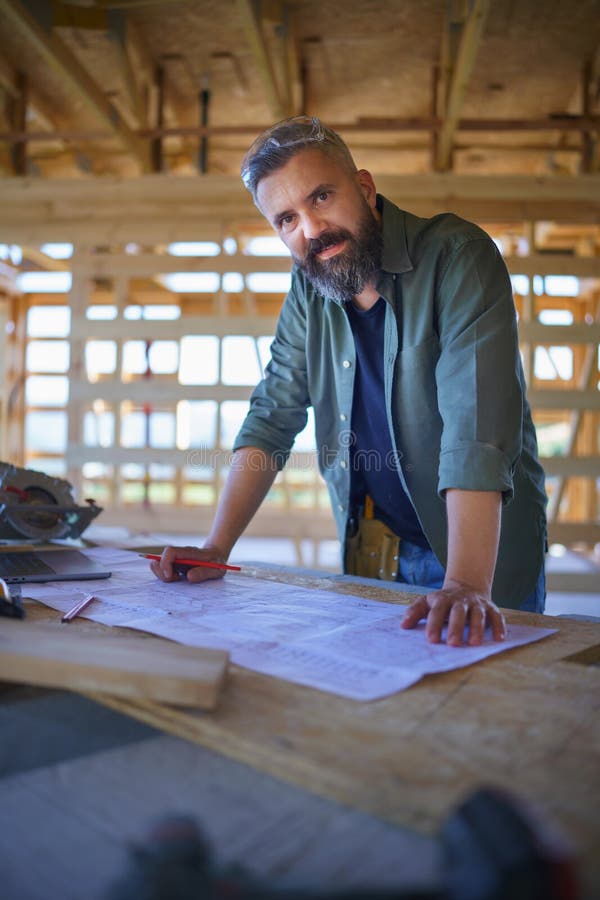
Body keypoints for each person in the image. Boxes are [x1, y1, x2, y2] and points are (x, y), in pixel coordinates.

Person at [151, 116, 547, 647]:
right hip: (371, 552)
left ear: (364, 187)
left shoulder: (457, 256)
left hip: (479, 560)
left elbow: (475, 431)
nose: (311, 229)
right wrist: (217, 547)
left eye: (321, 197)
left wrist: (466, 584)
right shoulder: (308, 287)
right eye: (286, 219)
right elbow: (273, 414)